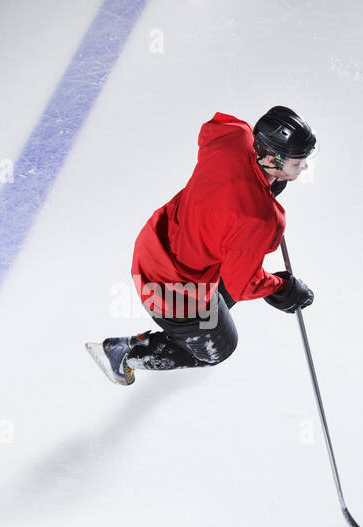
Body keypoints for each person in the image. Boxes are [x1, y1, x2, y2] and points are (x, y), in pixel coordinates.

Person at [86, 106, 317, 385]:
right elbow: (243, 286)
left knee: (221, 287)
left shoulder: (235, 137)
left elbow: (213, 127)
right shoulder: (262, 218)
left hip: (154, 242)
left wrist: (260, 177)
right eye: (296, 162)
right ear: (271, 158)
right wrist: (283, 289)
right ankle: (121, 353)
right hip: (172, 288)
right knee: (219, 348)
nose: (304, 166)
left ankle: (199, 324)